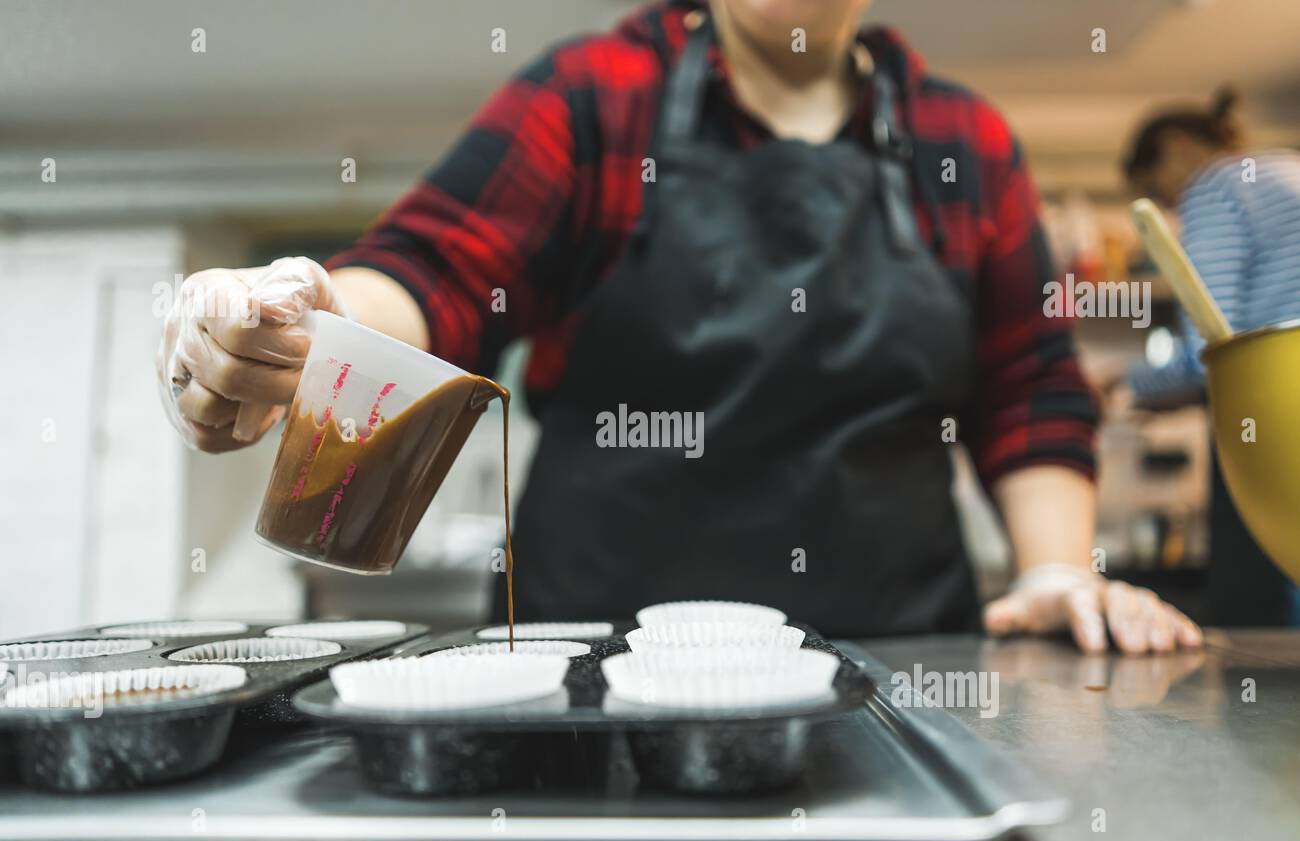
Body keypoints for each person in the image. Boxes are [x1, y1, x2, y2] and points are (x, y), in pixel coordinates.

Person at [157, 0, 1201, 653]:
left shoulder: (961, 139)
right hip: (589, 674)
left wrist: (1058, 567)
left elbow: (1031, 389)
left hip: (896, 674)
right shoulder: (595, 95)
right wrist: (311, 325)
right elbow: (437, 276)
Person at [1121, 87, 1300, 625]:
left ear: (1177, 148)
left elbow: (1209, 345)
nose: (1175, 209)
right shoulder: (1285, 169)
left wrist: (1128, 384)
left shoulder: (1216, 187)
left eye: (1161, 193)